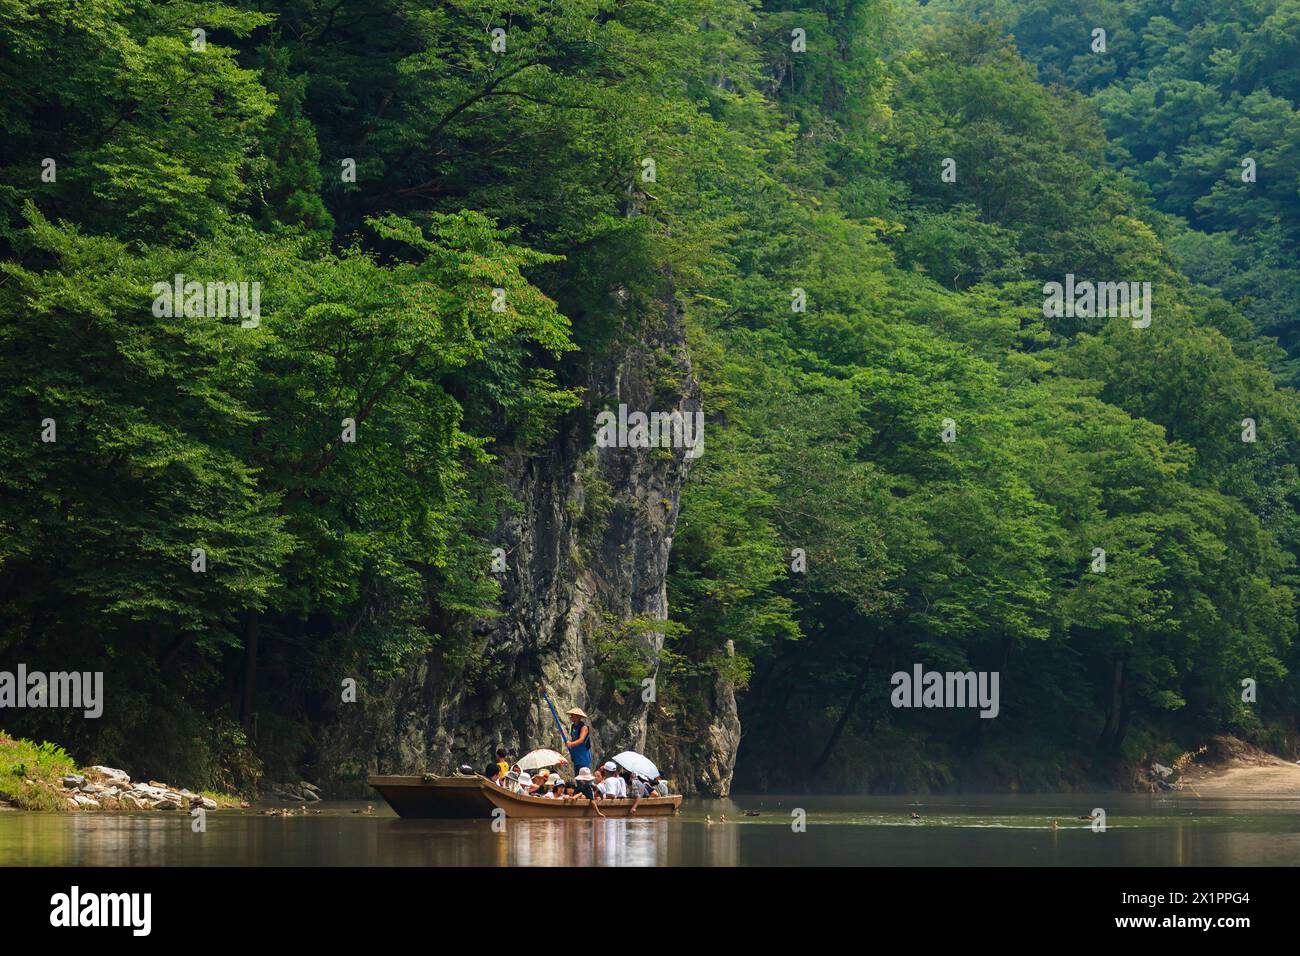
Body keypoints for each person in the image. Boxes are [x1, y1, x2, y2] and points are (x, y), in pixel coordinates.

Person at [560, 707, 593, 773]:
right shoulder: (573, 726)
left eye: (573, 715)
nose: (571, 717)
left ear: (578, 717)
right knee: (578, 777)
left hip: (583, 757)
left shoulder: (584, 727)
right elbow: (574, 738)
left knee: (584, 777)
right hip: (576, 756)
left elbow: (581, 740)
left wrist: (571, 744)